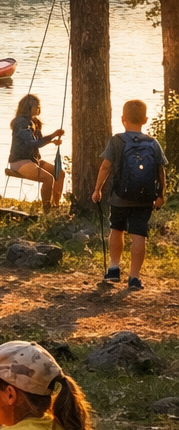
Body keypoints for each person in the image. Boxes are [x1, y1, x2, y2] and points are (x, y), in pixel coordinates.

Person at [92, 99, 167, 291]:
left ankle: (114, 268)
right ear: (145, 119)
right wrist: (161, 195)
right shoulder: (153, 142)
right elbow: (160, 171)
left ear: (123, 119)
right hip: (145, 198)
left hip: (120, 196)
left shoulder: (116, 141)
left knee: (116, 229)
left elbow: (106, 166)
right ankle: (134, 278)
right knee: (139, 234)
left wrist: (97, 189)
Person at [8, 93, 65, 207]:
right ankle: (47, 209)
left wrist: (52, 140)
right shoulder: (21, 123)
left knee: (60, 173)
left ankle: (56, 204)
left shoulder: (35, 122)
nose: (39, 108)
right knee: (48, 179)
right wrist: (52, 136)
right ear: (29, 107)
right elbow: (32, 143)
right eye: (36, 106)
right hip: (20, 162)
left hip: (33, 160)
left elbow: (39, 141)